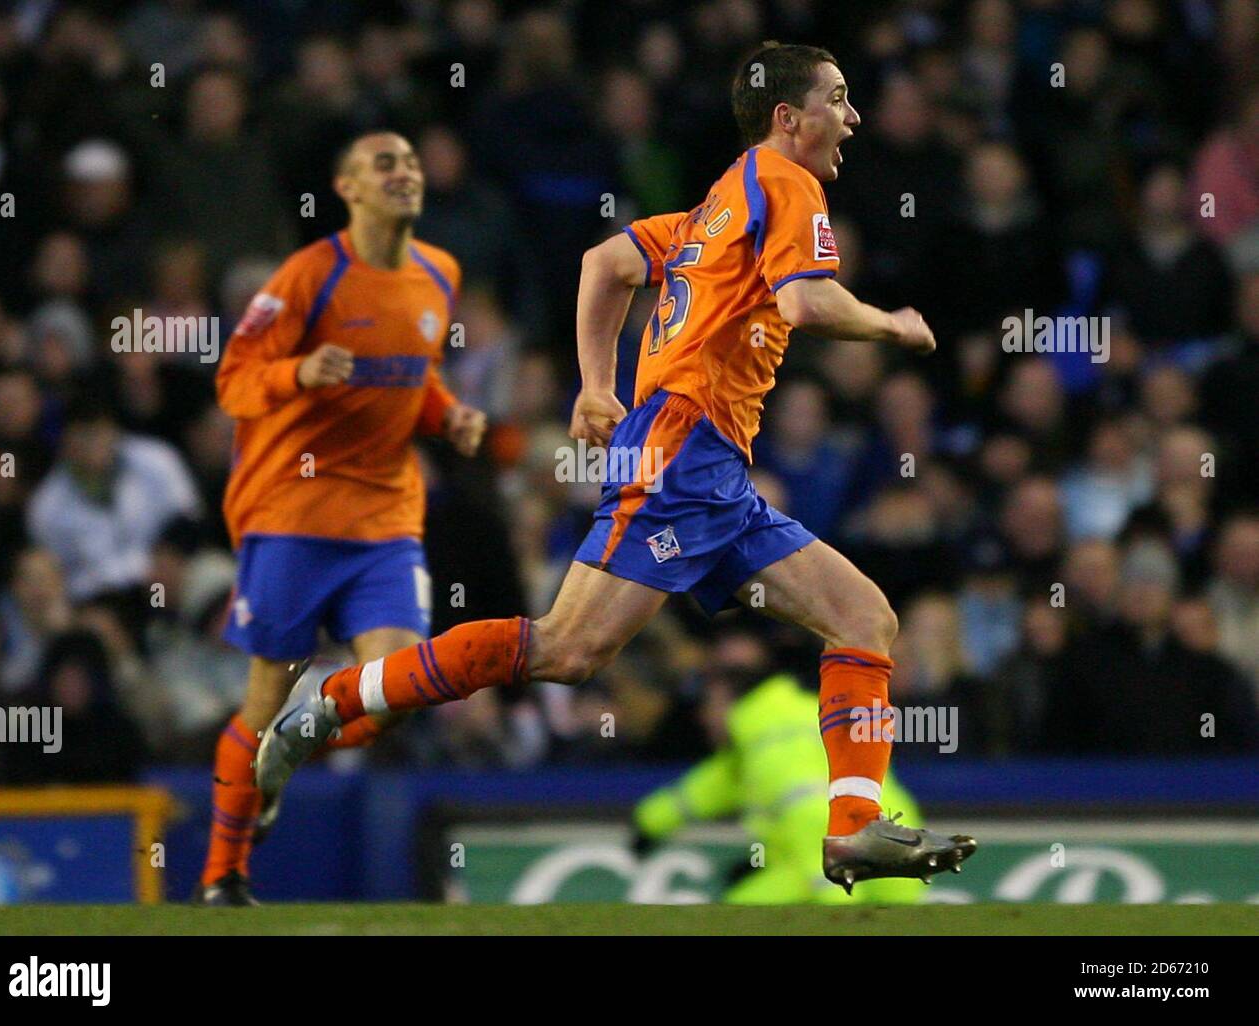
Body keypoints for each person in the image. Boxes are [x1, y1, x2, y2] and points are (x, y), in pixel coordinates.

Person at [258, 43, 975, 893]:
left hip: (712, 470)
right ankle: (342, 697)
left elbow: (606, 265)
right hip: (683, 452)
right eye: (840, 99)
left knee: (864, 617)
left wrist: (598, 386)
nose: (852, 118)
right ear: (790, 118)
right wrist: (893, 325)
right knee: (565, 650)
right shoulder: (788, 185)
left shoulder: (714, 211)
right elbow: (805, 301)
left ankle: (854, 829)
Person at [194, 131, 487, 905]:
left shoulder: (439, 274)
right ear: (347, 186)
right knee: (262, 701)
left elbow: (409, 375)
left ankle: (289, 753)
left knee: (396, 690)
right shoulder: (308, 276)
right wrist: (299, 371)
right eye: (384, 164)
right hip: (292, 509)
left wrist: (448, 413)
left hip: (385, 516)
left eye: (413, 162)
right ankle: (224, 876)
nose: (405, 173)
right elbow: (234, 379)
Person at [633, 631, 926, 904]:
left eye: (706, 704)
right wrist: (650, 822)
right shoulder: (779, 720)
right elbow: (713, 786)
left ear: (726, 696)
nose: (701, 718)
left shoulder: (770, 743)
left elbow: (814, 816)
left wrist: (837, 902)